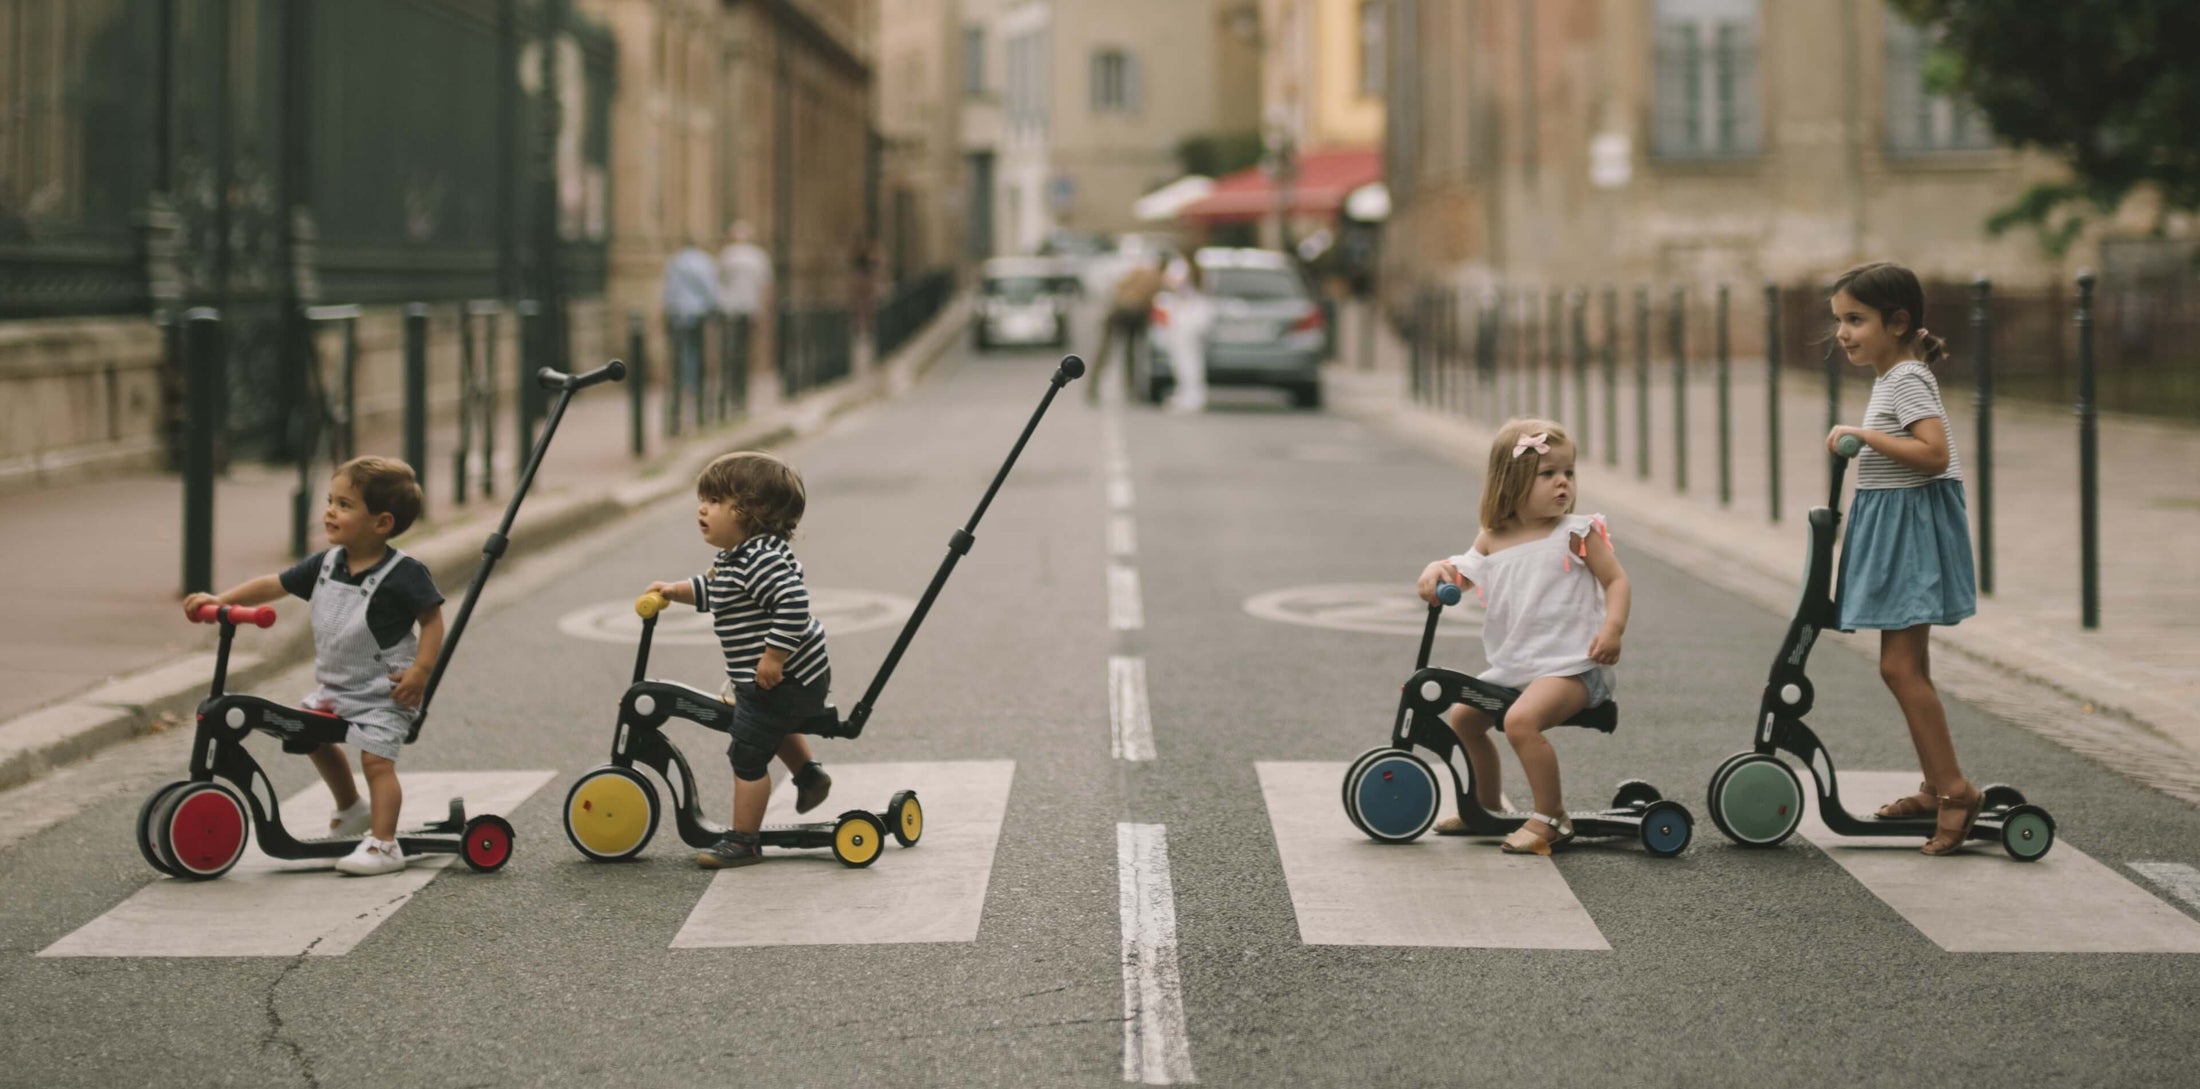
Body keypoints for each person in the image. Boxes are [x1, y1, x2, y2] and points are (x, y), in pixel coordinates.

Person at [181, 457, 445, 876]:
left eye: (344, 504)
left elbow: (432, 621)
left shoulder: (404, 574)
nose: (329, 511)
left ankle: (384, 844)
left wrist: (421, 672)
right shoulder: (326, 564)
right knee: (310, 736)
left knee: (377, 762)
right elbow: (274, 584)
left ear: (381, 523)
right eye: (330, 500)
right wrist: (221, 599)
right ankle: (351, 808)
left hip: (385, 691)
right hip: (335, 687)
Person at [1414, 419, 1632, 855]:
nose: (1562, 484)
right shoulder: (1494, 538)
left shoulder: (1577, 532)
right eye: (1547, 474)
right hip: (1517, 669)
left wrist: (1612, 628)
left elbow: (1616, 581)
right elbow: (1462, 573)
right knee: (1464, 719)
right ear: (1512, 481)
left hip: (1572, 668)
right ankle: (1486, 806)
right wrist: (1436, 572)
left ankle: (1551, 816)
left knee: (1520, 721)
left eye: (1568, 473)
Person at [1823, 261, 1981, 855]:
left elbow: (1934, 453)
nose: (1843, 332)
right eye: (1839, 320)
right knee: (1910, 666)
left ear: (1898, 322)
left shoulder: (1907, 379)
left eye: (1855, 320)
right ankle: (1936, 782)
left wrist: (1862, 438)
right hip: (1898, 523)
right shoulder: (1893, 375)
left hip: (1910, 530)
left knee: (1900, 669)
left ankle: (1955, 793)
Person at [643, 451, 834, 868]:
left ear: (752, 512)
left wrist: (773, 657)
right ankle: (809, 775)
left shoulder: (760, 558)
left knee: (748, 753)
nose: (702, 508)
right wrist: (675, 591)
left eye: (714, 501)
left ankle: (744, 841)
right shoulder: (737, 556)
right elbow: (718, 591)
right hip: (783, 678)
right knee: (770, 726)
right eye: (703, 498)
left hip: (788, 678)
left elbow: (793, 604)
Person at [1091, 254, 1167, 405]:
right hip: (1132, 312)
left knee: (1110, 352)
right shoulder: (1158, 278)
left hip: (1122, 309)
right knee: (1126, 354)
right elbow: (1150, 301)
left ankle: (1094, 388)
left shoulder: (1141, 271)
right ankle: (1130, 391)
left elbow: (1118, 285)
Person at [662, 237, 720, 416]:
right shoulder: (704, 261)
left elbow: (668, 289)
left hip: (677, 313)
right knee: (696, 351)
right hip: (697, 313)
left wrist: (668, 309)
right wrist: (714, 307)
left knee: (680, 351)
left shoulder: (675, 261)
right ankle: (693, 386)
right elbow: (710, 288)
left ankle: (681, 386)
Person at [718, 222, 773, 401]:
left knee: (730, 349)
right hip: (750, 308)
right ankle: (744, 385)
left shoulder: (726, 255)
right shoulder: (758, 257)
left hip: (730, 309)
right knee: (747, 348)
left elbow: (718, 283)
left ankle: (732, 384)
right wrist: (764, 310)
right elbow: (766, 287)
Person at [1162, 255, 1214, 413]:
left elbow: (1173, 283)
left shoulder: (1183, 267)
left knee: (1187, 359)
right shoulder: (1199, 269)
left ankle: (1192, 396)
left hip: (1188, 319)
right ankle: (1189, 394)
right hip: (1192, 317)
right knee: (1189, 359)